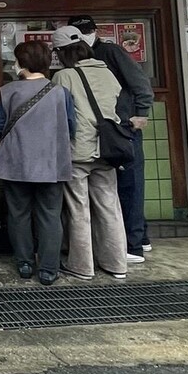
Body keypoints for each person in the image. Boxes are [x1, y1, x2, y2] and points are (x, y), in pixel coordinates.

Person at [70, 15, 154, 263]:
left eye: (86, 30)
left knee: (130, 183)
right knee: (120, 185)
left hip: (122, 129)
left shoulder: (110, 51)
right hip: (104, 130)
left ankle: (133, 245)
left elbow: (140, 83)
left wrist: (141, 113)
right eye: (79, 30)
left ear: (95, 31)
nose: (84, 34)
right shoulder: (79, 56)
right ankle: (141, 237)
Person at [0, 41, 75, 285]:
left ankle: (25, 263)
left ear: (22, 64)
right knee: (50, 215)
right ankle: (49, 268)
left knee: (18, 214)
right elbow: (71, 126)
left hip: (17, 163)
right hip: (51, 163)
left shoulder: (9, 91)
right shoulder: (60, 92)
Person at [50, 26, 128, 281]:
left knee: (77, 209)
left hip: (78, 151)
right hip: (108, 149)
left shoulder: (64, 77)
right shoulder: (108, 74)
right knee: (109, 206)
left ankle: (82, 266)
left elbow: (59, 114)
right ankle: (116, 264)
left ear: (62, 52)